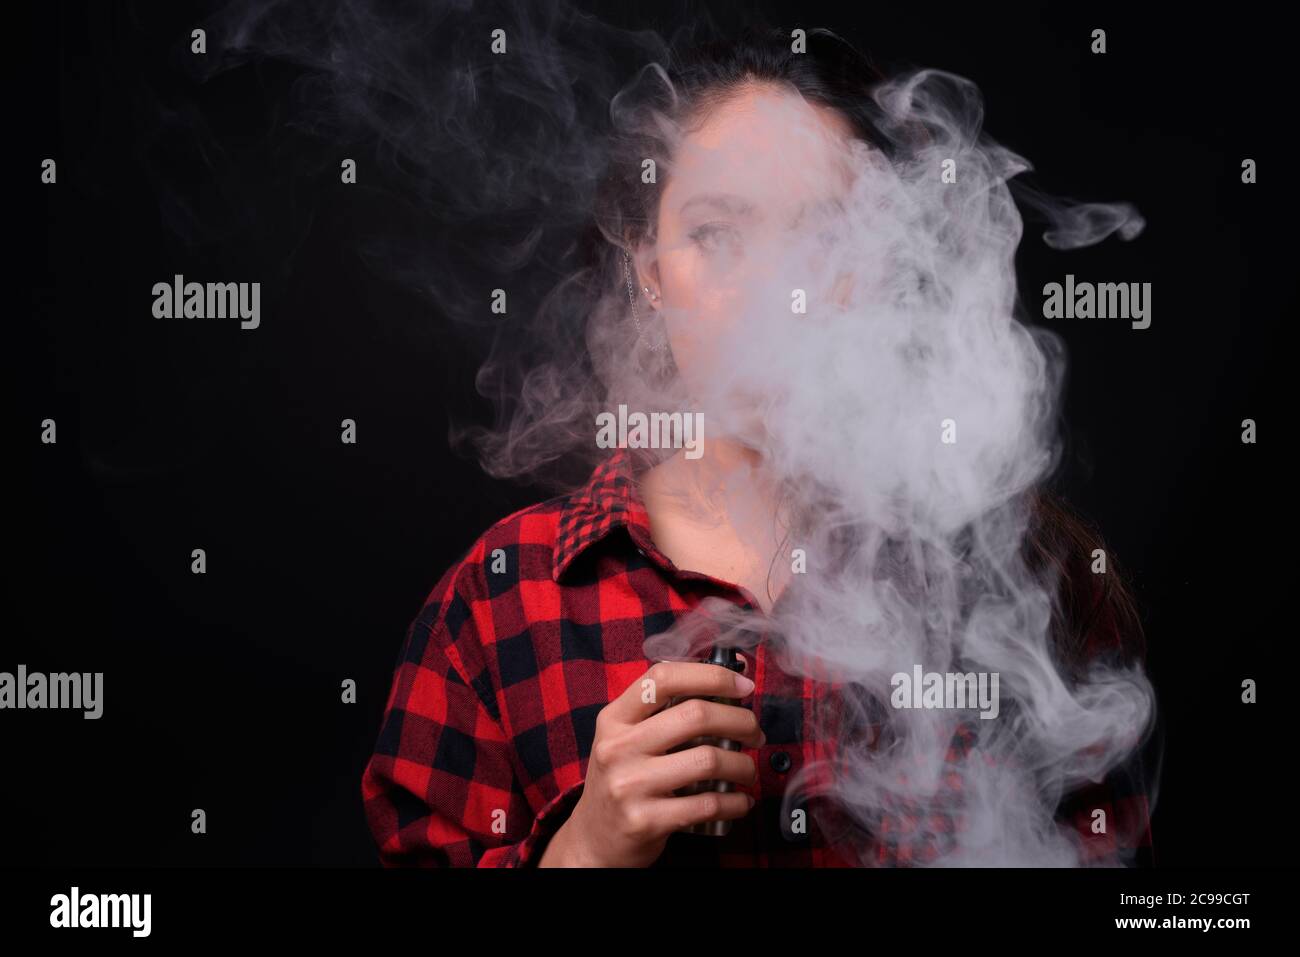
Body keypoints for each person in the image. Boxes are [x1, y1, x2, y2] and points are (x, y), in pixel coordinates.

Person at [361, 25, 1155, 868]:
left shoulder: (1028, 582)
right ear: (651, 271)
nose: (782, 295)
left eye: (823, 237)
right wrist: (585, 849)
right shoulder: (501, 604)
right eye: (717, 234)